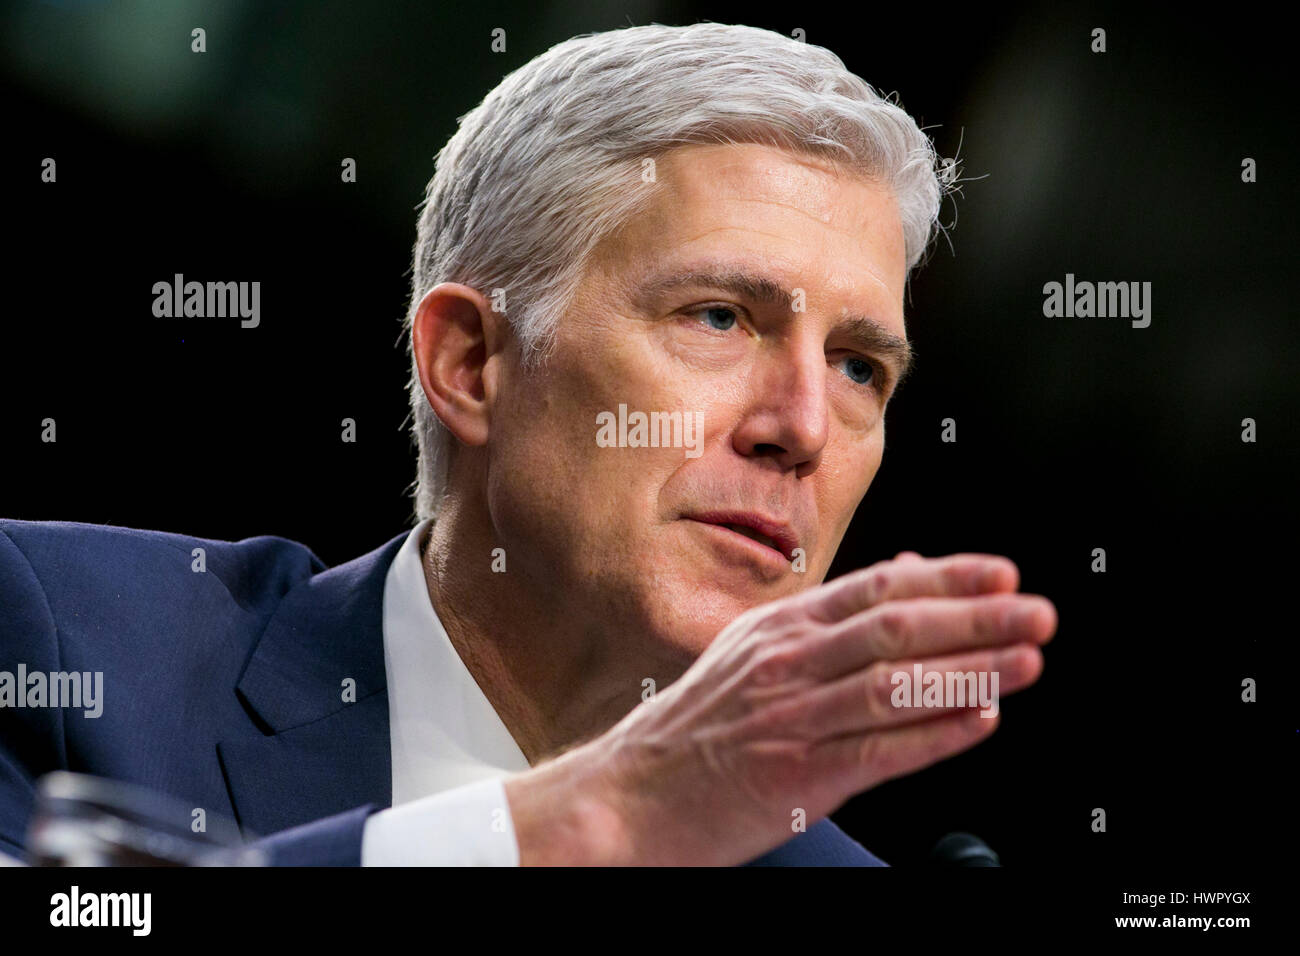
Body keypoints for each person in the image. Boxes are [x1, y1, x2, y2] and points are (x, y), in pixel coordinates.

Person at [0, 22, 1056, 866]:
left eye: (858, 366)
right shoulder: (60, 640)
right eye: (719, 317)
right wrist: (564, 831)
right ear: (470, 362)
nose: (803, 426)